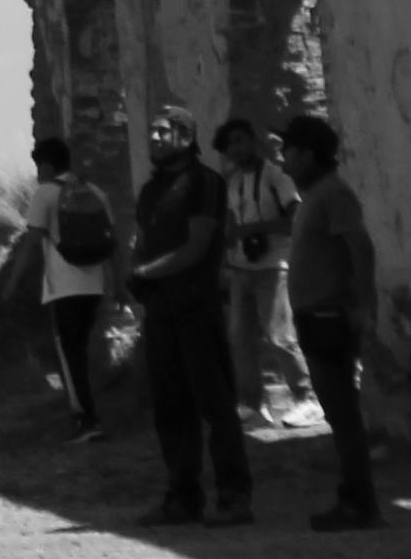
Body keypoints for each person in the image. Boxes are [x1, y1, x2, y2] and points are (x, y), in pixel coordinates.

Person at [129, 101, 254, 526]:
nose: (156, 138)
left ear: (186, 137)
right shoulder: (150, 191)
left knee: (216, 404)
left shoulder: (205, 183)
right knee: (170, 406)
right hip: (161, 312)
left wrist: (146, 271)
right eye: (154, 131)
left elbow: (196, 247)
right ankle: (183, 497)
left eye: (165, 131)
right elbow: (146, 240)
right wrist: (139, 274)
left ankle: (234, 497)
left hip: (196, 307)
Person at [279, 114, 380, 530]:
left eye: (289, 150)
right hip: (314, 315)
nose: (283, 158)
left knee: (342, 413)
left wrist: (363, 304)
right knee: (338, 413)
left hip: (329, 316)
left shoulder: (332, 195)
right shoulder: (315, 196)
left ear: (307, 154)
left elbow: (360, 245)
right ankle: (354, 498)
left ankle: (359, 502)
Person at [17, 129, 116, 435]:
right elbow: (113, 242)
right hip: (94, 286)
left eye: (38, 167)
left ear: (46, 165)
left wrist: (13, 280)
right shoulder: (96, 193)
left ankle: (86, 421)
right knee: (82, 352)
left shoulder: (46, 194)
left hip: (64, 288)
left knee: (71, 358)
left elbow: (32, 242)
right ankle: (90, 413)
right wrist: (118, 287)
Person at [217, 116, 301, 420]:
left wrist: (257, 228)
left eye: (241, 140)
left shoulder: (276, 176)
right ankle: (252, 402)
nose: (237, 149)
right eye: (230, 146)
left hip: (274, 265)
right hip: (242, 268)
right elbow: (230, 227)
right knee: (239, 336)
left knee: (280, 334)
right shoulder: (234, 183)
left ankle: (305, 395)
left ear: (253, 140)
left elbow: (295, 219)